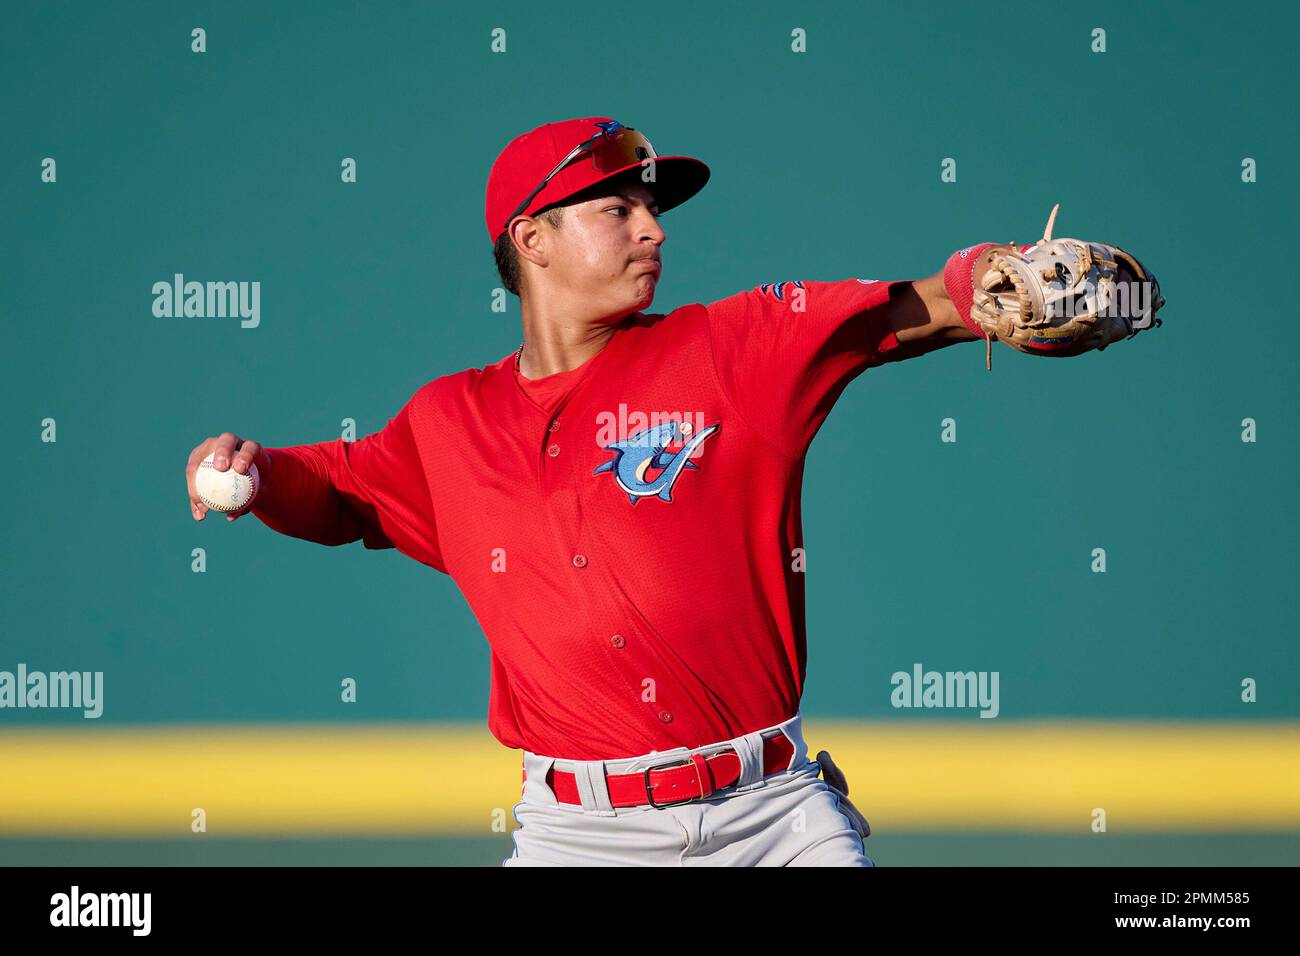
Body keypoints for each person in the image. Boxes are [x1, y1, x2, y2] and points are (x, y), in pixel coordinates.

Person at [184, 116, 1160, 866]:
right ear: (533, 239)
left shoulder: (737, 346)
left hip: (772, 816)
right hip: (578, 835)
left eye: (651, 208)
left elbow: (933, 305)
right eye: (617, 208)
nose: (652, 228)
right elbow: (336, 489)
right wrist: (254, 471)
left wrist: (996, 276)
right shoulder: (448, 422)